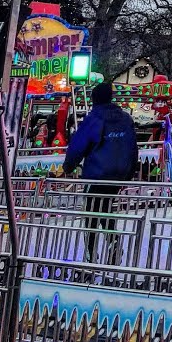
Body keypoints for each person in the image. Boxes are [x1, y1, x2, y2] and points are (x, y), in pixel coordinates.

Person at [64, 82, 138, 263]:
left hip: (97, 173)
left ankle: (91, 253)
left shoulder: (94, 119)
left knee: (91, 213)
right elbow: (132, 148)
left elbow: (78, 145)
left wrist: (68, 166)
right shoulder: (125, 120)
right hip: (118, 174)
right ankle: (113, 243)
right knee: (105, 209)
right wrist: (129, 172)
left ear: (94, 99)